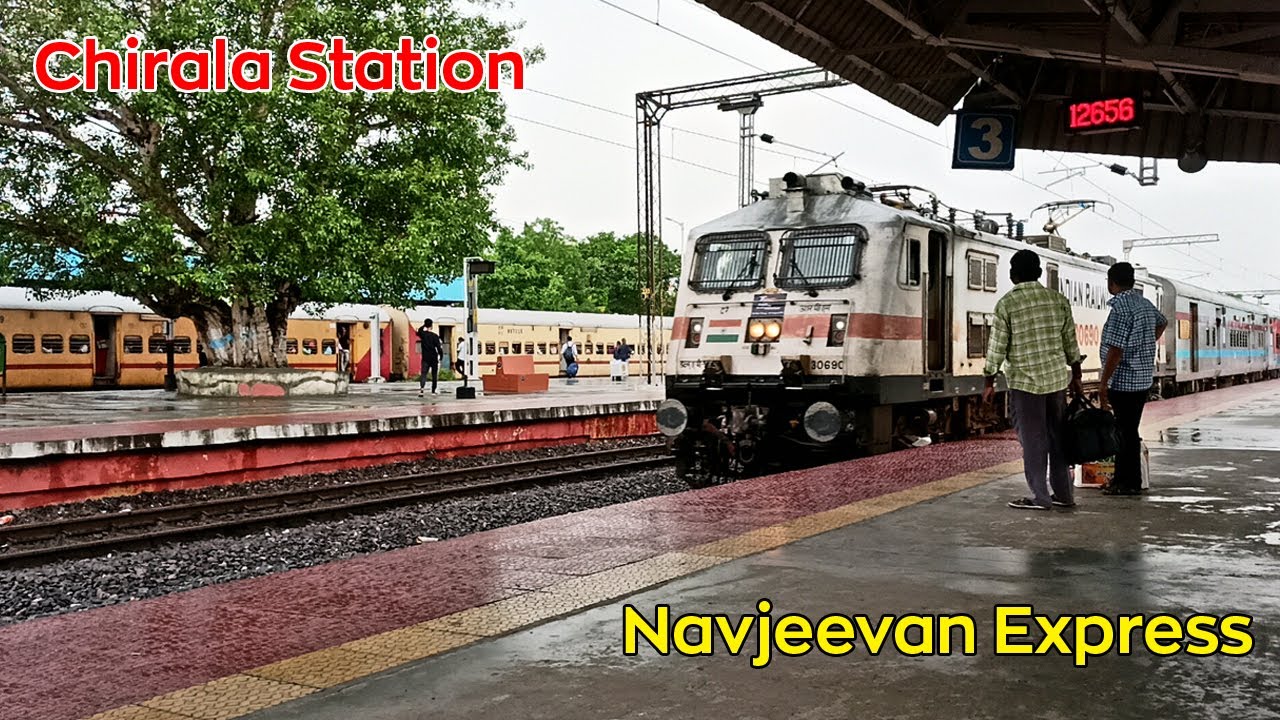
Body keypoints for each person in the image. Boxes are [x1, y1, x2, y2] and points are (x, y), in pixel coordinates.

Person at [983, 249, 1084, 511]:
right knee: (1058, 438)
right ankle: (1064, 495)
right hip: (1056, 381)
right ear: (1039, 273)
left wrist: (989, 381)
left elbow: (997, 347)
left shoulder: (1007, 304)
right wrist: (1076, 375)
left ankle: (1040, 497)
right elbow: (1070, 343)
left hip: (1025, 384)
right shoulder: (1057, 300)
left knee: (1033, 440)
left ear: (1013, 275)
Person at [1098, 262, 1167, 496]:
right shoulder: (1144, 304)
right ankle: (1131, 480)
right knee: (1130, 431)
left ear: (1111, 283)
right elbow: (1163, 321)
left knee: (1123, 433)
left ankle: (1124, 483)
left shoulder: (1120, 308)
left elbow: (1115, 350)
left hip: (1124, 380)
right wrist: (1146, 342)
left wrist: (1103, 383)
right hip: (1142, 380)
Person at [417, 319, 443, 396]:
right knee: (434, 374)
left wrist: (424, 325)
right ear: (431, 326)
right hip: (433, 357)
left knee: (424, 374)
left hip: (425, 357)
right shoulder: (435, 336)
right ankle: (433, 391)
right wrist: (441, 356)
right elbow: (438, 347)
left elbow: (419, 331)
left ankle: (422, 389)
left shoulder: (423, 334)